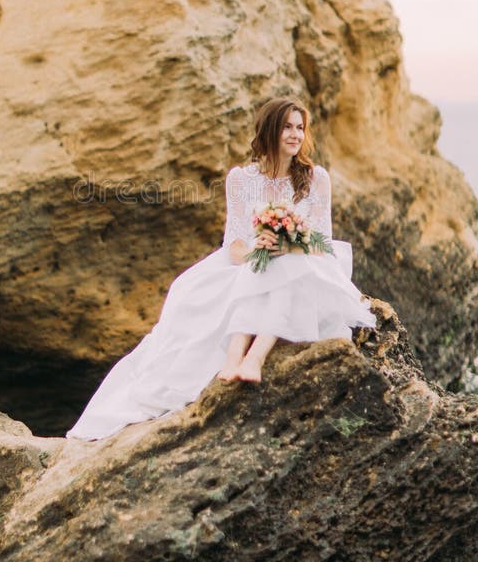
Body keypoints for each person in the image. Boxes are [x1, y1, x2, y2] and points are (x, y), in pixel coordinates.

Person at [66, 96, 376, 441]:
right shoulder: (241, 179)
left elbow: (323, 242)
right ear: (269, 130)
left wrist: (287, 245)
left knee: (290, 265)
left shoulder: (315, 178)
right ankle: (234, 358)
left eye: (300, 128)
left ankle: (251, 358)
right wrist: (259, 249)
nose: (295, 134)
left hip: (308, 263)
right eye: (287, 126)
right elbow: (234, 244)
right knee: (256, 268)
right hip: (250, 263)